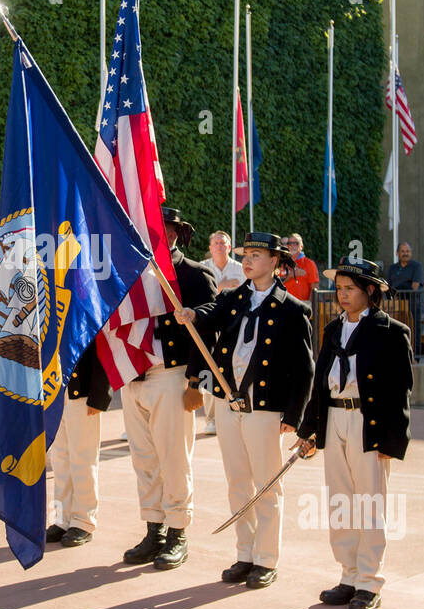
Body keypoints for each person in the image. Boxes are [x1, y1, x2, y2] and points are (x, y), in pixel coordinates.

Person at [178, 233, 314, 589]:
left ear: (276, 262)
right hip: (228, 403)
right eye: (247, 255)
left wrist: (293, 417)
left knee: (266, 485)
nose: (249, 261)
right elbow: (213, 313)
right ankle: (245, 554)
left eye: (256, 255)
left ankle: (267, 559)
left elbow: (305, 370)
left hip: (265, 409)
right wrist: (193, 312)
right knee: (238, 481)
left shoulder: (292, 309)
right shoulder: (235, 297)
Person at [295, 257, 413, 609]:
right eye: (339, 289)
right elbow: (320, 382)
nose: (341, 295)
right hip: (335, 418)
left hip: (368, 422)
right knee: (340, 500)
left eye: (349, 289)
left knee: (370, 503)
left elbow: (400, 389)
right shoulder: (332, 329)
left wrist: (392, 440)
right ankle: (347, 574)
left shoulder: (391, 331)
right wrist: (310, 429)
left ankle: (368, 581)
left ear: (371, 291)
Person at [121, 206, 218, 570]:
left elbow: (209, 332)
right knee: (144, 461)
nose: (154, 235)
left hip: (172, 374)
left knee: (174, 459)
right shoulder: (129, 271)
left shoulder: (193, 274)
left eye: (162, 229)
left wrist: (197, 382)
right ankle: (154, 529)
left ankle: (178, 532)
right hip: (135, 374)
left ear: (176, 233)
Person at [46, 343, 110, 547]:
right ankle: (62, 519)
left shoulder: (82, 308)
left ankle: (83, 521)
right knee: (60, 459)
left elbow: (103, 344)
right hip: (53, 391)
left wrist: (100, 395)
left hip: (82, 390)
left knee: (83, 459)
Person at [198, 232, 244, 434]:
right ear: (210, 247)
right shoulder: (202, 268)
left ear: (229, 246)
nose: (219, 246)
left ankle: (234, 410)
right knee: (208, 372)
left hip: (234, 328)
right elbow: (200, 299)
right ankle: (211, 418)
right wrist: (222, 287)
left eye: (222, 243)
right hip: (209, 328)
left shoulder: (241, 269)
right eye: (215, 242)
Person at [280, 233, 320, 304]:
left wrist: (310, 306)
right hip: (283, 305)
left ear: (301, 246)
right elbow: (275, 284)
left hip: (302, 305)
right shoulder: (281, 264)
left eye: (296, 243)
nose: (292, 246)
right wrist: (290, 276)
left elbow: (314, 288)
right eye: (290, 243)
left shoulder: (309, 263)